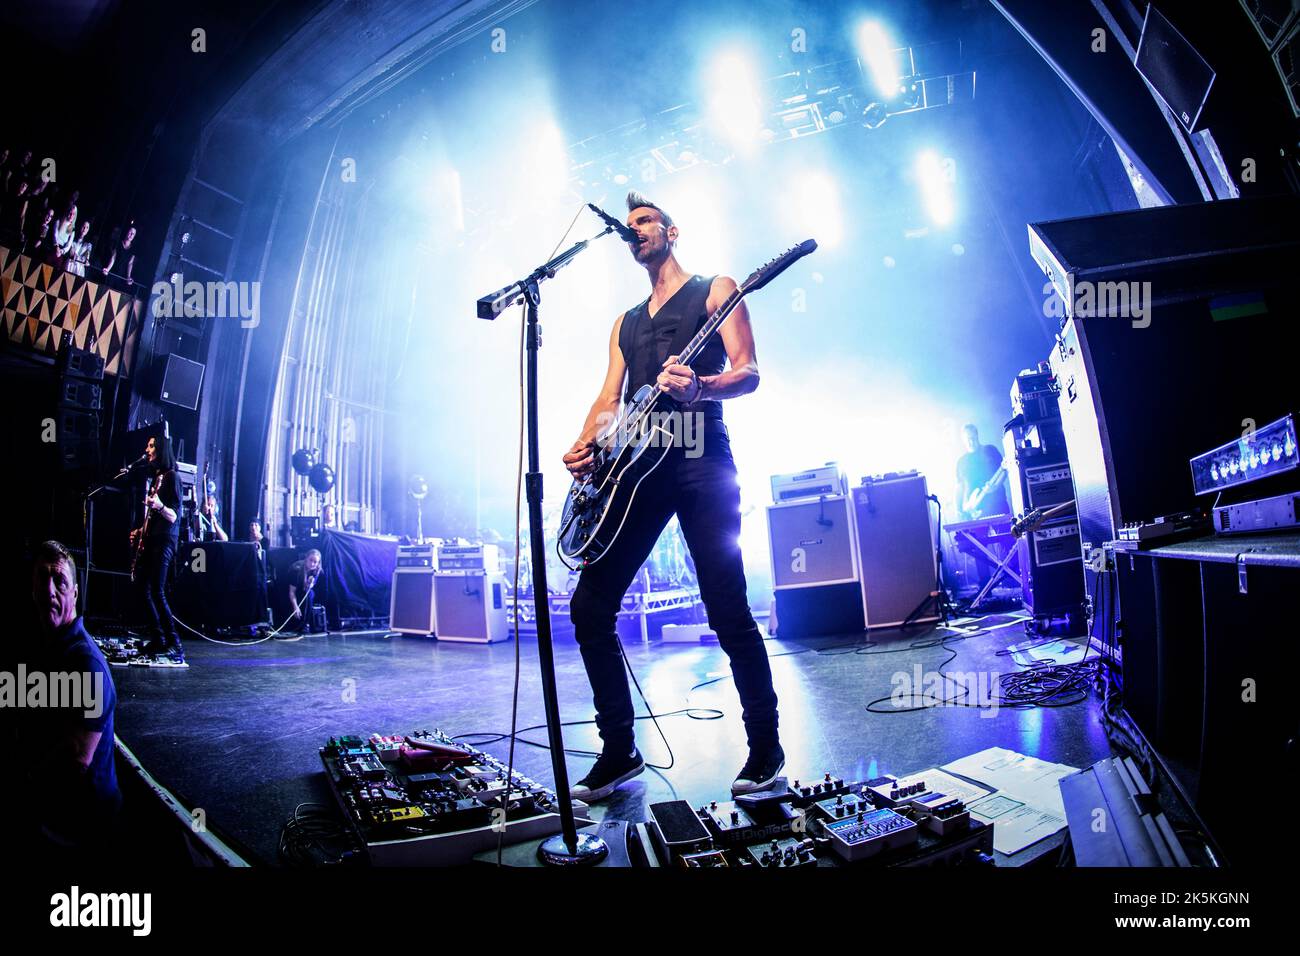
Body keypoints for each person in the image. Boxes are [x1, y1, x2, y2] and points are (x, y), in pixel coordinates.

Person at [560, 191, 781, 801]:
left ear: (671, 231)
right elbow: (610, 398)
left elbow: (750, 370)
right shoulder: (624, 323)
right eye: (629, 225)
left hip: (701, 457)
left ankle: (765, 748)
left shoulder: (715, 289)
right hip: (637, 471)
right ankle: (620, 749)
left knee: (728, 611)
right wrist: (586, 444)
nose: (635, 231)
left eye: (645, 221)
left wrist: (701, 386)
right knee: (590, 607)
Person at [19, 541, 121, 854]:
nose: (50, 590)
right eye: (42, 578)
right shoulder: (49, 648)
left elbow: (75, 760)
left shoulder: (86, 663)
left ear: (75, 594)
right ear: (32, 587)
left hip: (82, 833)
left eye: (60, 581)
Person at [132, 435, 186, 663]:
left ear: (162, 449)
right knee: (143, 588)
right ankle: (158, 638)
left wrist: (159, 505)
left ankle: (175, 643)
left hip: (166, 540)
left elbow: (174, 516)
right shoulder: (158, 478)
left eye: (152, 445)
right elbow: (153, 515)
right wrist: (140, 530)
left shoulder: (172, 477)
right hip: (153, 538)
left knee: (157, 589)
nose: (147, 449)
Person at [955, 424, 1009, 520]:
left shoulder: (990, 450)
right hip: (974, 512)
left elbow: (1004, 470)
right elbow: (960, 487)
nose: (971, 442)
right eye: (968, 439)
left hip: (997, 506)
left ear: (977, 436)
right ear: (963, 440)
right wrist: (959, 508)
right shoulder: (961, 462)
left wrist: (996, 486)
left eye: (973, 438)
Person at [288, 548, 322, 633]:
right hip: (294, 590)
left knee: (310, 593)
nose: (312, 564)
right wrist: (295, 607)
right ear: (306, 558)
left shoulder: (317, 570)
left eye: (315, 562)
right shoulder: (296, 569)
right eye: (310, 560)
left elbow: (312, 586)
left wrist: (310, 585)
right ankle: (299, 625)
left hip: (305, 591)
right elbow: (292, 592)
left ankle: (306, 623)